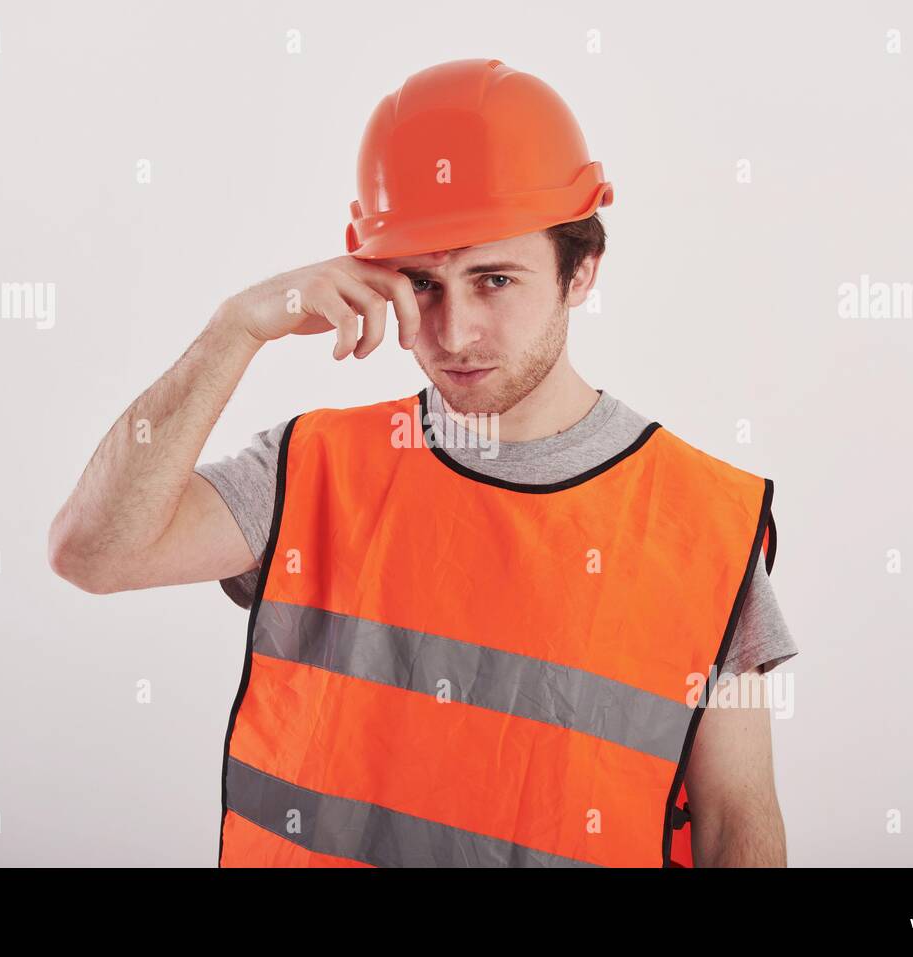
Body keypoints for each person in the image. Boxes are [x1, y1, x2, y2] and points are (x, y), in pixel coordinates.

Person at [49, 58, 797, 868]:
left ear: (581, 271)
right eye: (424, 285)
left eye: (495, 279)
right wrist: (235, 329)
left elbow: (735, 823)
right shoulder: (315, 464)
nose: (454, 332)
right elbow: (93, 552)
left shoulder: (705, 523)